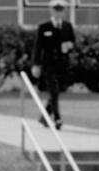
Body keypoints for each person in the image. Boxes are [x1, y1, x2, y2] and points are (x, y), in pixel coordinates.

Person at [31, 1, 75, 130]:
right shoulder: (44, 27)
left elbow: (72, 42)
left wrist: (68, 46)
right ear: (51, 10)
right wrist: (35, 64)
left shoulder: (67, 26)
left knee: (56, 92)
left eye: (61, 9)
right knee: (54, 91)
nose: (58, 12)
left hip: (62, 65)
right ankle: (57, 118)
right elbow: (37, 47)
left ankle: (44, 117)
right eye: (56, 9)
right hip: (48, 64)